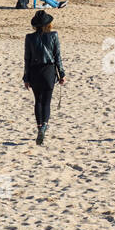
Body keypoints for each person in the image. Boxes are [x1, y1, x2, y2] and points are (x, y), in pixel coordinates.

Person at [22, 9, 65, 145]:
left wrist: (26, 78)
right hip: (49, 71)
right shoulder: (54, 35)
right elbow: (57, 56)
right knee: (46, 102)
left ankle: (39, 127)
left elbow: (27, 59)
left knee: (38, 101)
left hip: (34, 71)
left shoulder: (29, 37)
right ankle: (45, 125)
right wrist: (62, 73)